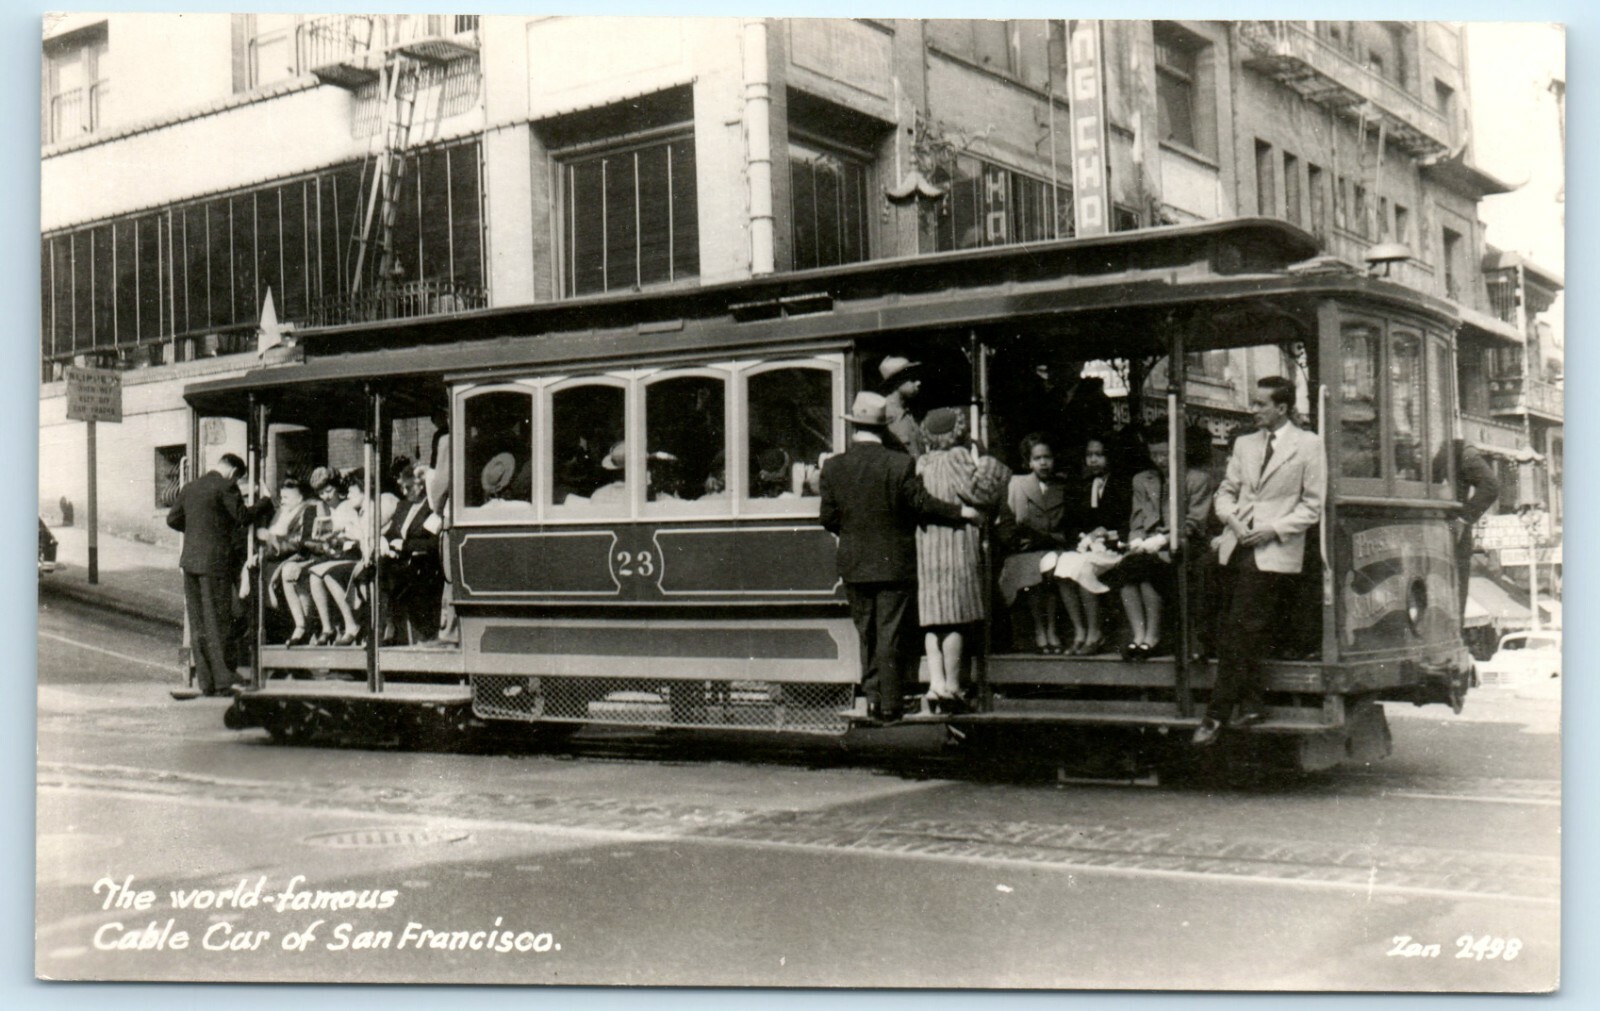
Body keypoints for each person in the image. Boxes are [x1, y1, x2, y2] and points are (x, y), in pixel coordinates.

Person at [821, 391, 980, 724]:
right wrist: (961, 511)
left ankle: (874, 700)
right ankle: (892, 705)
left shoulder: (834, 467)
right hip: (894, 562)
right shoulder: (900, 463)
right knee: (890, 633)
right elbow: (921, 503)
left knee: (867, 634)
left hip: (853, 563)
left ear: (853, 429)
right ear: (883, 429)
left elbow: (829, 518)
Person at [1194, 376, 1326, 746]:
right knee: (1237, 625)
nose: (1253, 410)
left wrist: (1271, 530)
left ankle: (1216, 714)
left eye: (1260, 404)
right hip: (1237, 541)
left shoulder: (1308, 445)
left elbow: (1311, 507)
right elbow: (1226, 491)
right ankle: (1252, 702)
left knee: (1240, 625)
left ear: (1281, 408)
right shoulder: (1244, 444)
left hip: (1274, 548)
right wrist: (1231, 519)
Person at [914, 408, 1010, 713]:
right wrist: (991, 465)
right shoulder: (957, 458)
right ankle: (953, 686)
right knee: (955, 616)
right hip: (955, 544)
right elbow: (978, 492)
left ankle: (935, 683)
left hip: (927, 544)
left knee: (932, 618)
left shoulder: (923, 462)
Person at [1113, 422, 1213, 661]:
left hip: (1185, 543)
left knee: (1148, 570)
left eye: (1164, 454)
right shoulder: (1142, 480)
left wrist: (1162, 540)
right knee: (1128, 567)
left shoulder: (1196, 479)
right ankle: (1138, 636)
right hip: (1149, 544)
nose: (1159, 460)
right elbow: (1137, 520)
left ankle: (1153, 636)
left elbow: (1195, 523)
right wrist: (1136, 542)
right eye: (1154, 453)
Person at [166, 452, 250, 695]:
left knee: (199, 623)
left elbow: (172, 519)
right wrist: (265, 504)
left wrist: (196, 529)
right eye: (237, 479)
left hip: (190, 562)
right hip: (214, 563)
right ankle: (224, 680)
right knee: (218, 622)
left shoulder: (191, 487)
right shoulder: (226, 486)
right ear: (234, 472)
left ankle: (206, 681)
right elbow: (242, 517)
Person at [1051, 435, 1130, 656]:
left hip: (1114, 547)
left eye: (1099, 455)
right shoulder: (1082, 486)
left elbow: (1128, 521)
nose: (1093, 460)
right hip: (1089, 546)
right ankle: (1080, 631)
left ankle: (1095, 632)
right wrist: (1084, 536)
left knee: (1083, 568)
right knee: (1063, 565)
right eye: (1090, 455)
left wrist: (1107, 534)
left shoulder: (1122, 483)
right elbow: (1072, 522)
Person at [996, 432, 1069, 653]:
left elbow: (1069, 524)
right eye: (1037, 458)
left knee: (1053, 567)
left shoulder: (1063, 486)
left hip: (1055, 546)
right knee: (1032, 571)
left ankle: (1051, 629)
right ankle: (1041, 629)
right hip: (1025, 550)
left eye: (1048, 457)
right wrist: (1017, 541)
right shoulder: (1016, 485)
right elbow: (1006, 522)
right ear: (1028, 461)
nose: (1044, 463)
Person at [383, 464, 443, 645]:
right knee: (373, 569)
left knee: (395, 577)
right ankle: (387, 623)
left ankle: (394, 626)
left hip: (423, 562)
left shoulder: (432, 508)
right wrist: (384, 541)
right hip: (399, 560)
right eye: (401, 487)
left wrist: (405, 545)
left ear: (421, 485)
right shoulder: (403, 506)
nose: (404, 491)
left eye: (408, 487)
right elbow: (392, 532)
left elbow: (434, 542)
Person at [1445, 438, 1500, 620]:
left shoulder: (1460, 451)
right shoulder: (1458, 450)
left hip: (1454, 534)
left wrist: (1463, 519)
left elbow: (1491, 486)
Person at [878, 355, 926, 457]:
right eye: (911, 379)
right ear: (896, 381)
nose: (918, 382)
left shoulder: (909, 413)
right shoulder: (884, 415)